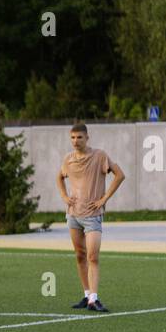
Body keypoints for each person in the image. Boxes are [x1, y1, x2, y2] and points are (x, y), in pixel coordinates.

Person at [57, 123, 125, 313]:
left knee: (92, 256)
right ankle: (87, 295)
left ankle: (94, 299)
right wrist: (64, 197)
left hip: (93, 216)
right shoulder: (68, 160)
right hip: (73, 215)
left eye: (79, 137)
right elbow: (59, 178)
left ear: (87, 137)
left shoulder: (100, 156)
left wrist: (104, 199)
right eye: (72, 138)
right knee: (80, 256)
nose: (75, 141)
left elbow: (120, 175)